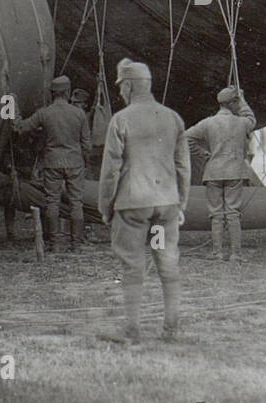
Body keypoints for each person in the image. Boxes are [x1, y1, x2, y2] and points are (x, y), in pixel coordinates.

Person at [96, 58, 190, 344]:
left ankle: (132, 329)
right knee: (167, 264)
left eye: (121, 87)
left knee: (133, 266)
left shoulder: (121, 120)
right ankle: (171, 329)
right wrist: (181, 204)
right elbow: (183, 166)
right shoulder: (173, 118)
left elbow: (110, 170)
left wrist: (105, 207)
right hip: (165, 208)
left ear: (127, 86)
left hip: (133, 207)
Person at [13, 75, 91, 252]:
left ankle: (55, 244)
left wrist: (13, 108)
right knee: (76, 203)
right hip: (74, 162)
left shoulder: (44, 113)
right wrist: (83, 162)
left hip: (52, 162)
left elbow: (20, 128)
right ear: (68, 92)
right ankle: (76, 244)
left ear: (52, 93)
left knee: (52, 202)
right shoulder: (79, 114)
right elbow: (87, 144)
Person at [186, 86, 256, 262]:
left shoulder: (208, 123)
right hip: (235, 171)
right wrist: (243, 99)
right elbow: (251, 118)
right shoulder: (242, 122)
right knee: (233, 213)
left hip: (213, 172)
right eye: (236, 102)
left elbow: (186, 138)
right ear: (233, 103)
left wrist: (203, 154)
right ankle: (236, 254)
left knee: (216, 214)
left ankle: (217, 253)